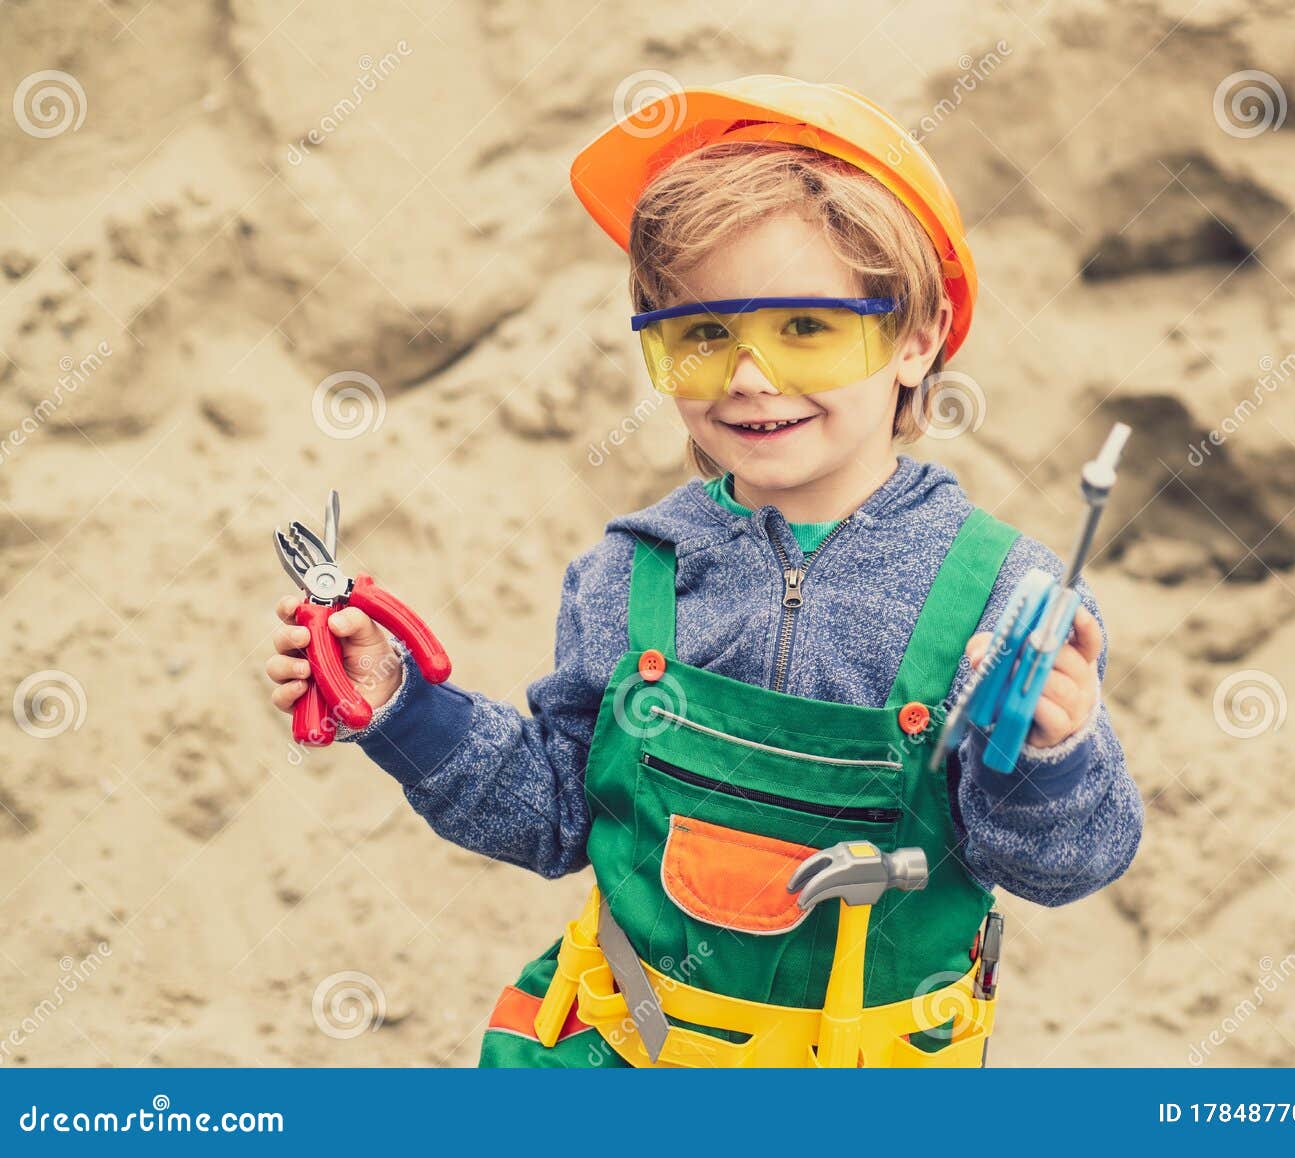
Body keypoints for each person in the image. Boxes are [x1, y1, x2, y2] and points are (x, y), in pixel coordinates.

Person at [265, 76, 1142, 1068]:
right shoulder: (629, 572)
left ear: (916, 339)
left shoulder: (1004, 597)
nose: (751, 378)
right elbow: (555, 815)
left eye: (806, 329)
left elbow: (1069, 866)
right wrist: (401, 706)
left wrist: (1052, 753)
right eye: (704, 335)